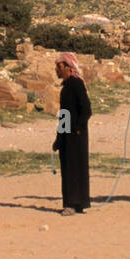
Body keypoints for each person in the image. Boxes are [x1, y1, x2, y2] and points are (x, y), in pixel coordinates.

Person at [52, 52, 91, 215]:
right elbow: (64, 115)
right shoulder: (66, 87)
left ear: (68, 68)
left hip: (76, 135)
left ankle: (73, 204)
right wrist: (59, 138)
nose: (57, 70)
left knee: (75, 168)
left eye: (59, 67)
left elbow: (86, 109)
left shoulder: (76, 84)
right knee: (68, 168)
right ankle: (74, 202)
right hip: (68, 135)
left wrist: (78, 128)